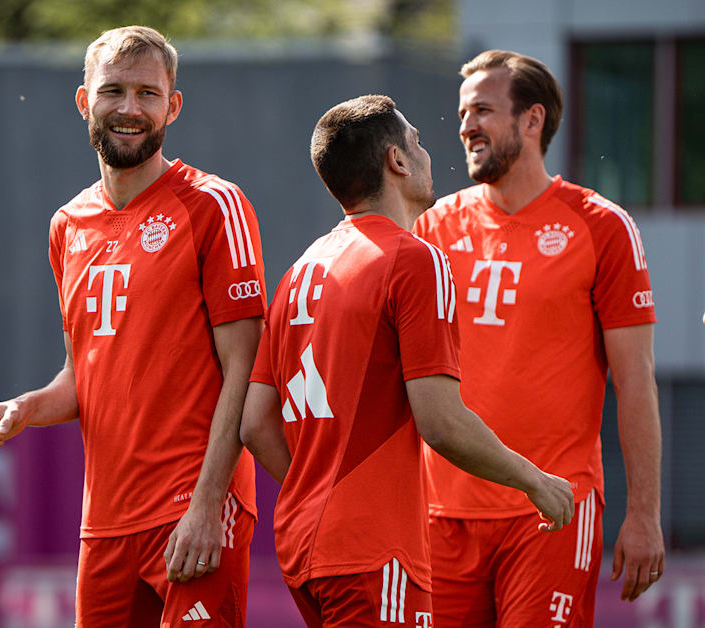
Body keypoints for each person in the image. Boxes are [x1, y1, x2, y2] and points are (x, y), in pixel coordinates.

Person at [0, 26, 265, 626]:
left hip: (193, 507)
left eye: (148, 94)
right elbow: (87, 375)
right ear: (85, 102)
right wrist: (24, 408)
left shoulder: (214, 205)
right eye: (113, 92)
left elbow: (248, 367)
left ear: (172, 106)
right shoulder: (67, 225)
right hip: (103, 523)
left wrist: (209, 503)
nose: (130, 109)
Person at [239, 94, 574, 627]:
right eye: (417, 142)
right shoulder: (416, 259)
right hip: (375, 549)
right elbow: (441, 423)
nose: (427, 152)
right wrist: (535, 481)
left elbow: (256, 424)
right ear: (396, 160)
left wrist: (318, 490)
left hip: (303, 543)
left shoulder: (300, 270)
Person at [413, 49, 664, 626]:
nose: (465, 126)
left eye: (482, 110)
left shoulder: (602, 226)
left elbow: (635, 381)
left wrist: (644, 513)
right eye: (461, 113)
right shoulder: (433, 228)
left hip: (551, 511)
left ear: (533, 120)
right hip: (439, 513)